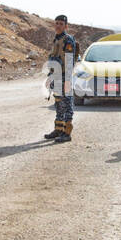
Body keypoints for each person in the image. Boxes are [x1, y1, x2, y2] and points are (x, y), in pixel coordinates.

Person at [43, 14, 78, 143]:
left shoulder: (68, 40)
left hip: (65, 77)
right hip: (56, 77)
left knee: (67, 103)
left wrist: (67, 80)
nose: (58, 26)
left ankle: (67, 132)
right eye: (56, 23)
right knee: (58, 103)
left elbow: (69, 62)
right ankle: (58, 129)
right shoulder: (56, 39)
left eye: (60, 24)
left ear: (66, 26)